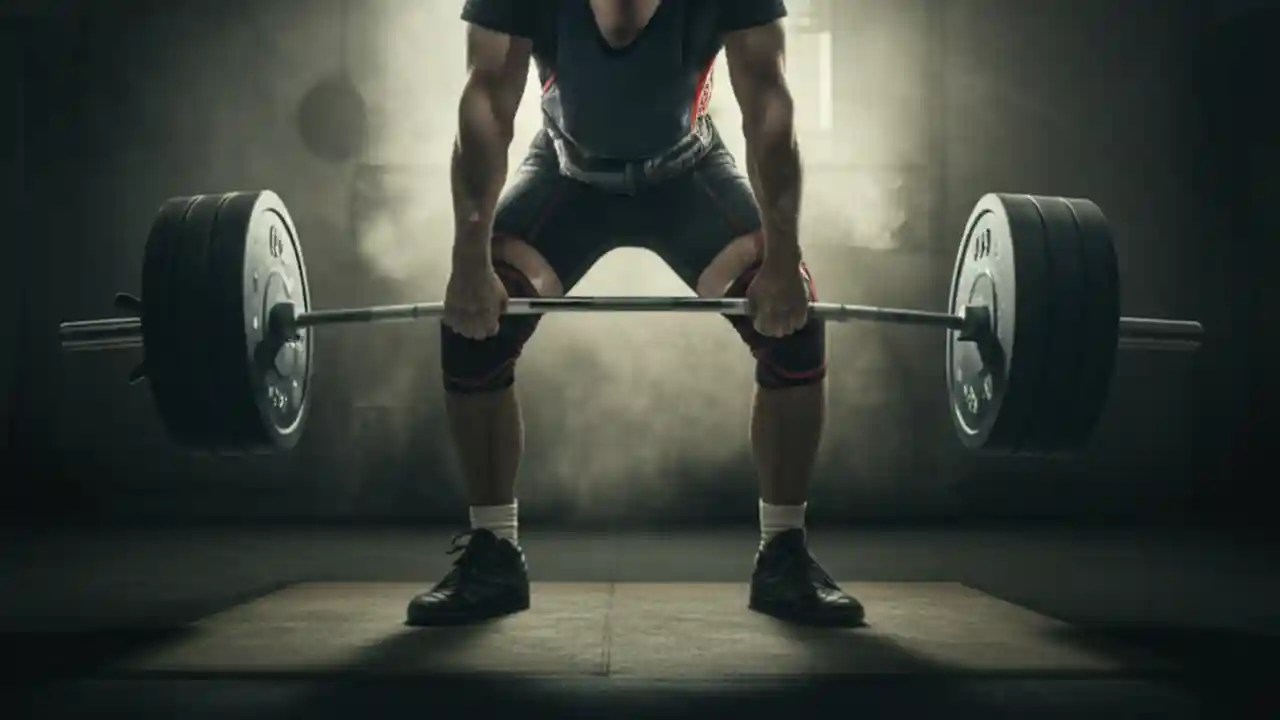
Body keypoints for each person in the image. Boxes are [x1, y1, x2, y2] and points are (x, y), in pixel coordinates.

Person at [407, 0, 864, 627]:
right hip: (566, 179)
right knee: (476, 326)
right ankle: (493, 554)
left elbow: (767, 104)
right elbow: (487, 101)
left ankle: (784, 554)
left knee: (790, 322)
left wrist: (785, 258)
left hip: (688, 178)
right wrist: (467, 259)